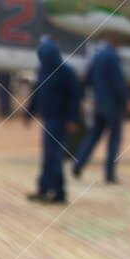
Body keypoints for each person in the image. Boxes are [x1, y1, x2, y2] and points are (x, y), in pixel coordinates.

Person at [27, 37, 81, 204]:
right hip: (48, 119)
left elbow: (75, 98)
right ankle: (48, 190)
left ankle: (55, 192)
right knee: (49, 156)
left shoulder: (66, 73)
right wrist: (29, 113)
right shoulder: (42, 71)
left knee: (53, 157)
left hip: (59, 120)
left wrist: (73, 119)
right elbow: (36, 94)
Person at [74, 43, 127, 184]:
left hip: (98, 104)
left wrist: (81, 97)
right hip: (113, 105)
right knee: (114, 140)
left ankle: (78, 164)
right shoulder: (113, 57)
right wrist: (127, 99)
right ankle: (109, 174)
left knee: (93, 135)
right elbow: (118, 82)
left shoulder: (97, 56)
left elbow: (87, 79)